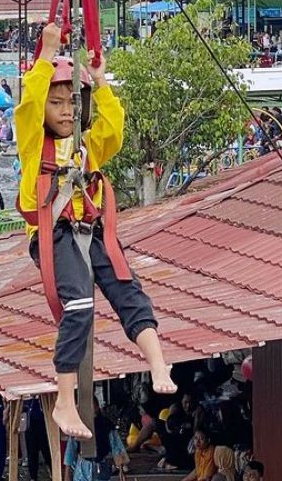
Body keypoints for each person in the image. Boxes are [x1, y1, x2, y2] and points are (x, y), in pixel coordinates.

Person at [15, 22, 174, 439]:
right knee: (80, 306)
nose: (66, 111)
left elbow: (115, 126)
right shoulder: (34, 144)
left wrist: (101, 81)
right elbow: (28, 106)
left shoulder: (89, 145)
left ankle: (158, 361)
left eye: (72, 103)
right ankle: (65, 402)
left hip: (95, 227)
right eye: (58, 104)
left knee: (128, 290)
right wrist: (46, 55)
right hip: (55, 233)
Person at [63, 403, 129, 481]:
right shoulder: (78, 426)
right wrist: (67, 474)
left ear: (97, 407)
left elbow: (116, 447)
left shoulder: (106, 425)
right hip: (82, 468)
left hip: (101, 467)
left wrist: (121, 470)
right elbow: (70, 450)